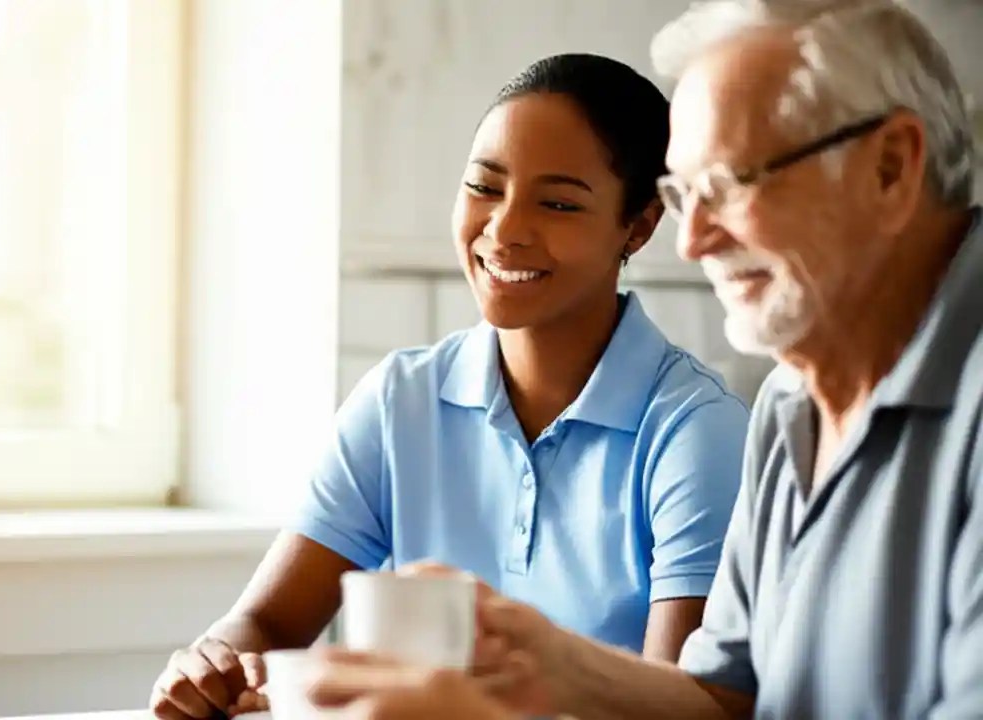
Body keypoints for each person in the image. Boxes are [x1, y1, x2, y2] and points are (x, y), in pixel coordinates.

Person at [307, 0, 983, 718]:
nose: (691, 242)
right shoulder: (793, 402)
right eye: (683, 193)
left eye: (728, 186)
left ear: (888, 167)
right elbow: (725, 700)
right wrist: (554, 661)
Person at [150, 53, 750, 719]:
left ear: (637, 225)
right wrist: (213, 665)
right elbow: (264, 624)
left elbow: (686, 705)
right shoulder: (399, 400)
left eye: (556, 203)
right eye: (484, 187)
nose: (504, 229)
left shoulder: (696, 433)